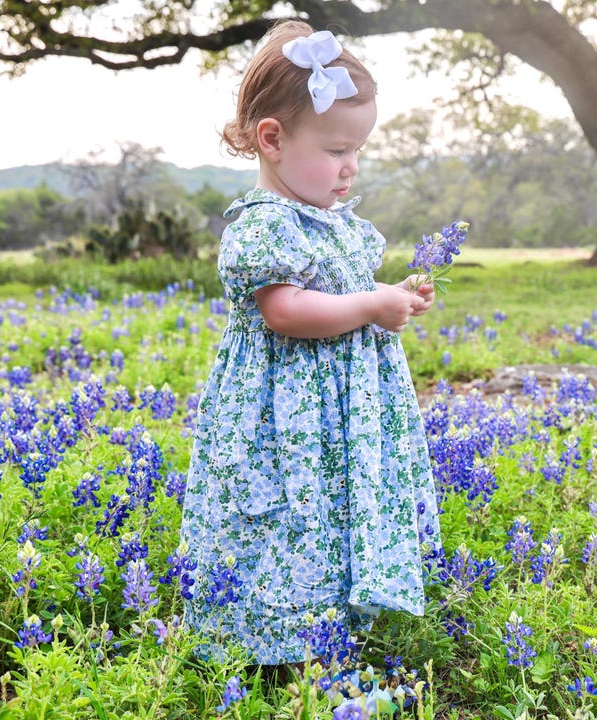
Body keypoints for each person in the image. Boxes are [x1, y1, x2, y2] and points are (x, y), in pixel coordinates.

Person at [179, 19, 442, 667]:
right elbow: (287, 312)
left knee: (331, 510)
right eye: (335, 150)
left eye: (358, 150)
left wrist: (390, 296)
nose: (350, 167)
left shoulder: (330, 221)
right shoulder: (263, 226)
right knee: (287, 513)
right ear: (272, 139)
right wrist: (369, 306)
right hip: (287, 414)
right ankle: (279, 647)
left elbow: (337, 287)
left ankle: (329, 630)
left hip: (340, 410)